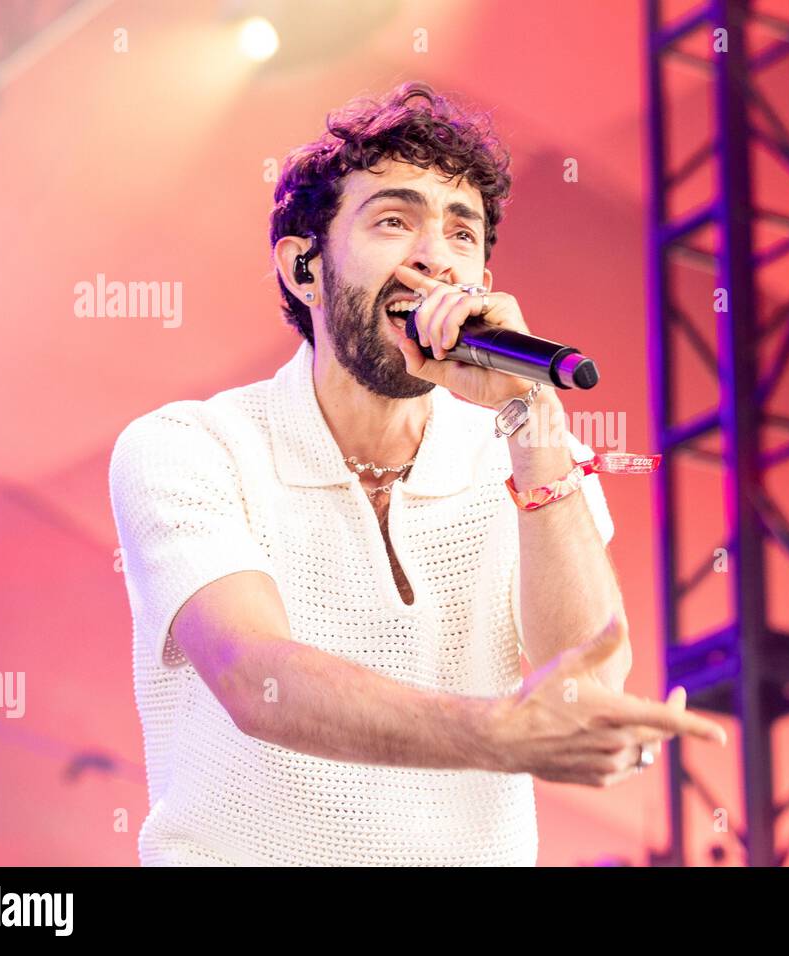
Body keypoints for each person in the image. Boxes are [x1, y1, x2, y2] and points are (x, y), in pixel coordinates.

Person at [108, 81, 726, 866]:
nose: (435, 258)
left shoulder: (524, 447)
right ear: (304, 268)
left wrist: (532, 428)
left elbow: (582, 679)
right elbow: (252, 676)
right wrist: (499, 733)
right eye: (395, 221)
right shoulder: (189, 446)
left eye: (462, 234)